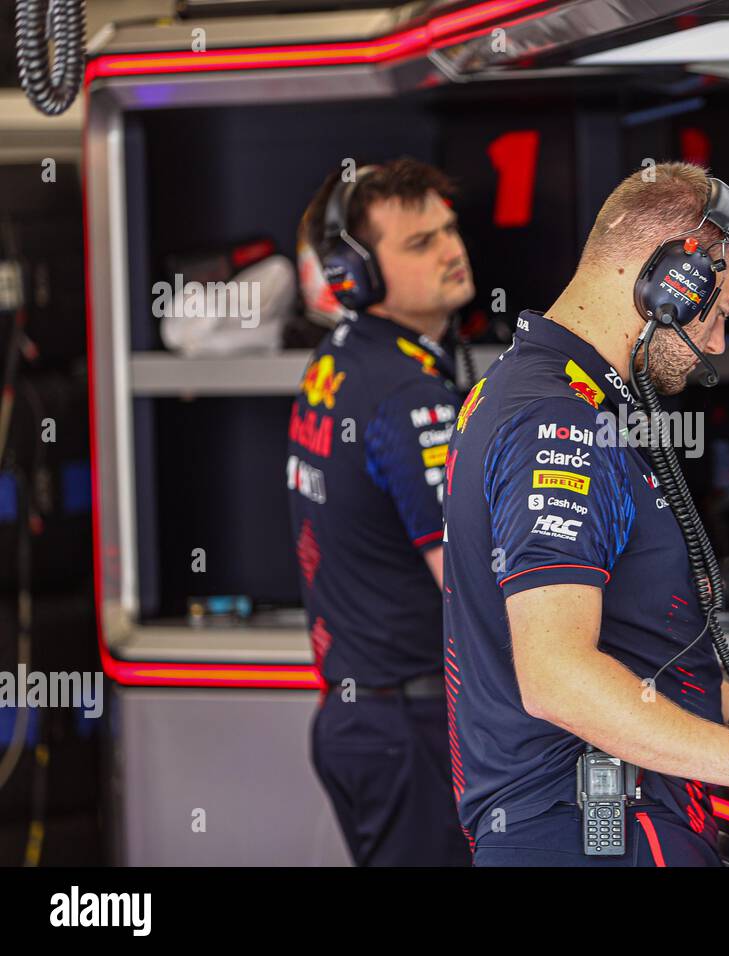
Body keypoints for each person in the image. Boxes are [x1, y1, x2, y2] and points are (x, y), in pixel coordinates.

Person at [441, 162, 729, 866]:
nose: (715, 345)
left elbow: (624, 642)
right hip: (593, 833)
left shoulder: (532, 392)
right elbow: (556, 675)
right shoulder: (559, 421)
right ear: (672, 283)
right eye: (720, 314)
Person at [287, 157, 474, 866]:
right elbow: (474, 587)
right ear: (354, 275)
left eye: (450, 230)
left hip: (366, 719)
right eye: (421, 243)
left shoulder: (339, 360)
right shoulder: (408, 395)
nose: (452, 251)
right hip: (412, 726)